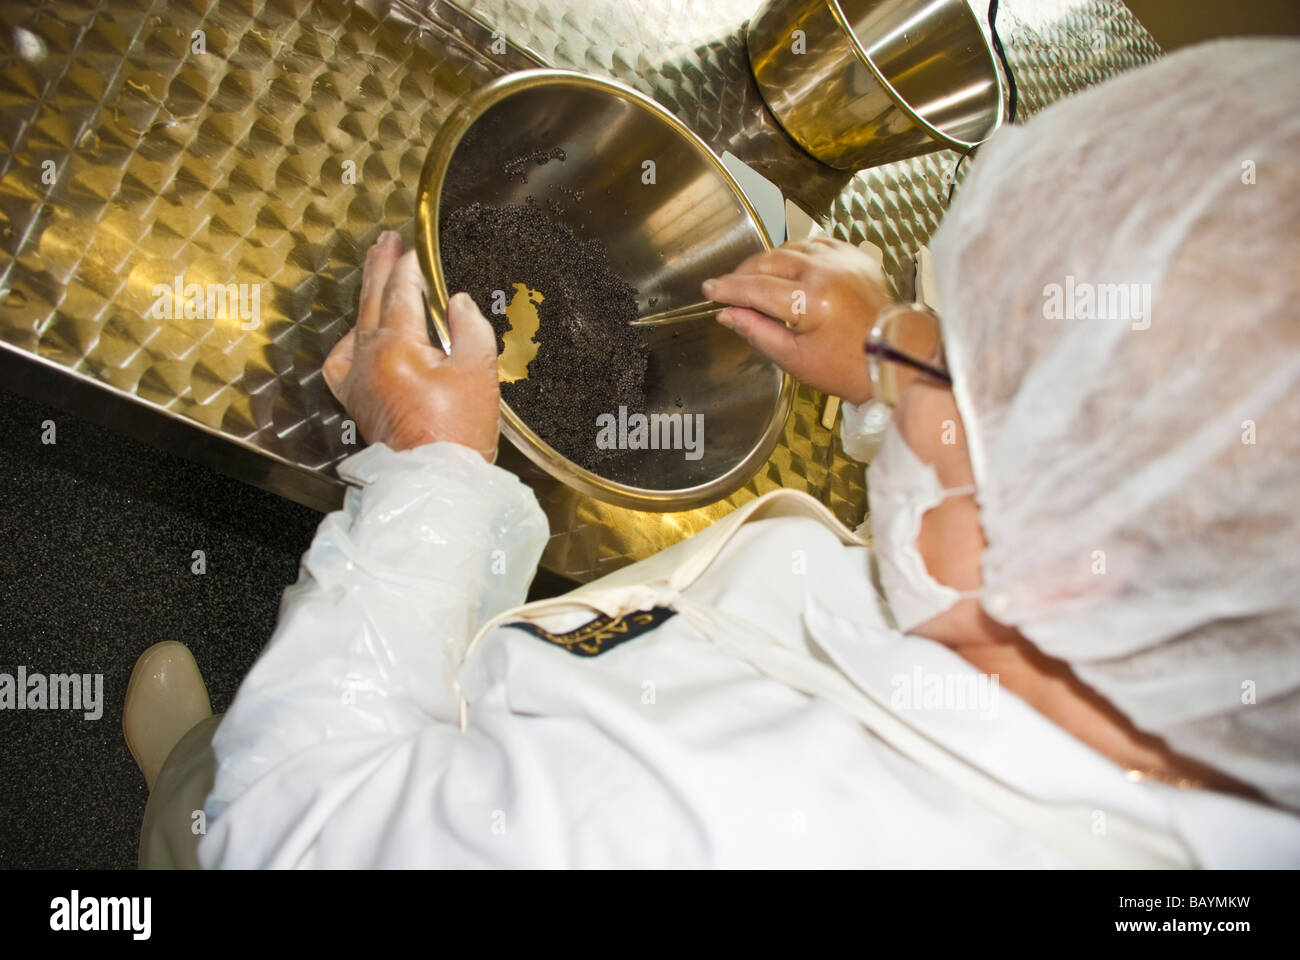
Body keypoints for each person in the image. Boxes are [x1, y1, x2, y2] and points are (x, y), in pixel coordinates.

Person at [126, 38, 1300, 868]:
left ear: (1048, 554)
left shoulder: (691, 828)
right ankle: (194, 758)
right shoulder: (1161, 645)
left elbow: (298, 828)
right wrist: (884, 373)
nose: (892, 335)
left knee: (225, 795)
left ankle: (174, 800)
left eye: (940, 356)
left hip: (320, 798)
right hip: (567, 675)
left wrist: (431, 474)